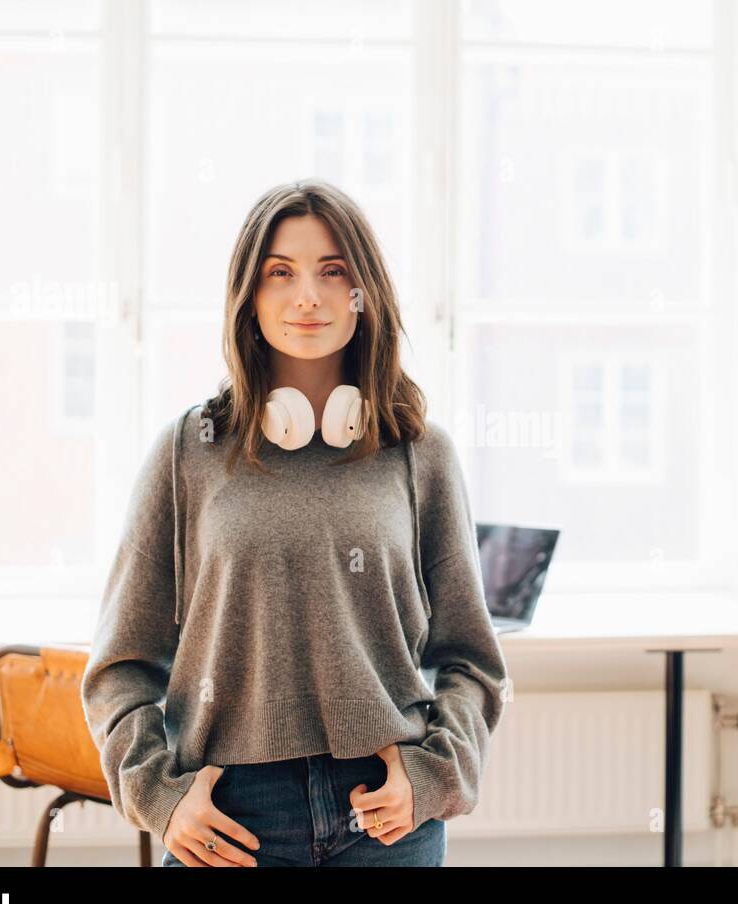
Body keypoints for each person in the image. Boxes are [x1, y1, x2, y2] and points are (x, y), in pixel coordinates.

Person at [80, 179, 509, 867]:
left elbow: (473, 661)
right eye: (280, 272)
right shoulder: (188, 452)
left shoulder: (420, 453)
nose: (307, 295)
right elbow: (118, 667)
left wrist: (431, 777)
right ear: (249, 297)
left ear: (363, 293)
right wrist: (160, 796)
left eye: (332, 271)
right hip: (229, 817)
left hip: (385, 816)